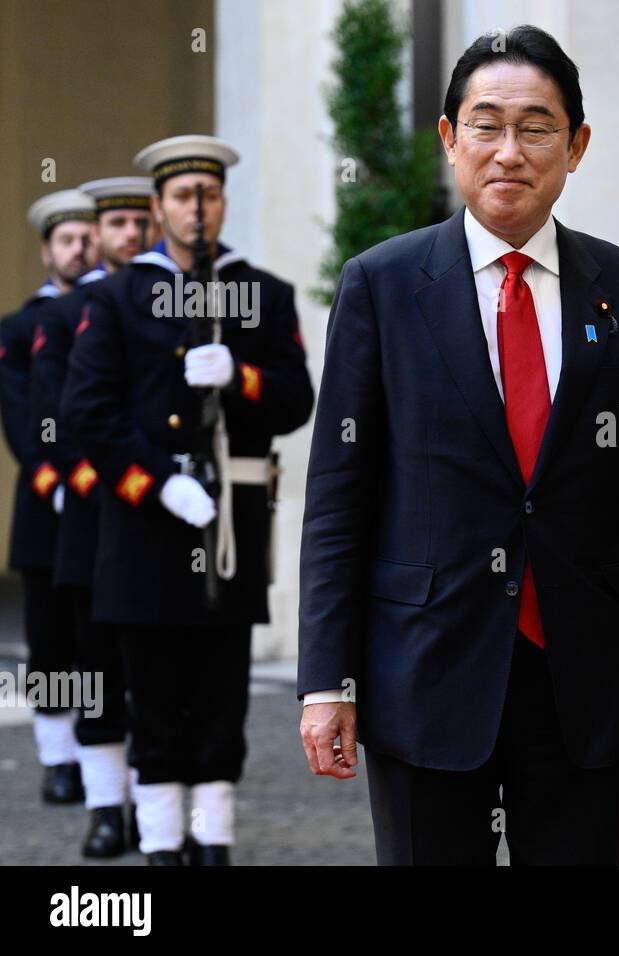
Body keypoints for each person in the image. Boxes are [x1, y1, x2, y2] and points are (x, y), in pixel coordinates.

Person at [298, 24, 619, 865]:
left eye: (536, 126)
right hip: (425, 671)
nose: (509, 151)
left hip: (580, 677)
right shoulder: (382, 286)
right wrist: (324, 681)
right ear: (450, 139)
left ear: (577, 145)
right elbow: (340, 497)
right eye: (485, 124)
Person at [62, 135, 315, 864]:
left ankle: (213, 837)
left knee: (220, 689)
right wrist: (155, 480)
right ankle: (163, 839)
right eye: (182, 196)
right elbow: (88, 411)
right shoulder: (114, 299)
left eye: (208, 194)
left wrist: (241, 377)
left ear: (222, 203)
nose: (197, 209)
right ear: (156, 208)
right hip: (146, 524)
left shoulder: (262, 292)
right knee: (153, 688)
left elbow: (297, 398)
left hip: (231, 520)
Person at [32, 176, 156, 856]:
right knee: (97, 669)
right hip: (93, 517)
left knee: (162, 675)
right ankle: (107, 807)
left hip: (162, 524)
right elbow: (55, 419)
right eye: (117, 226)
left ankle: (165, 806)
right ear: (98, 232)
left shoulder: (177, 309)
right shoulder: (61, 316)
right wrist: (108, 481)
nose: (130, 237)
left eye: (142, 225)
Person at [0, 190, 96, 805]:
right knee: (51, 635)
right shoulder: (21, 327)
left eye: (86, 237)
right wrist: (55, 480)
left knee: (100, 634)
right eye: (66, 240)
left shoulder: (107, 310)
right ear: (46, 251)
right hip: (46, 505)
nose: (78, 248)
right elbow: (20, 415)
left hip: (105, 498)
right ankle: (57, 754)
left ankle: (102, 747)